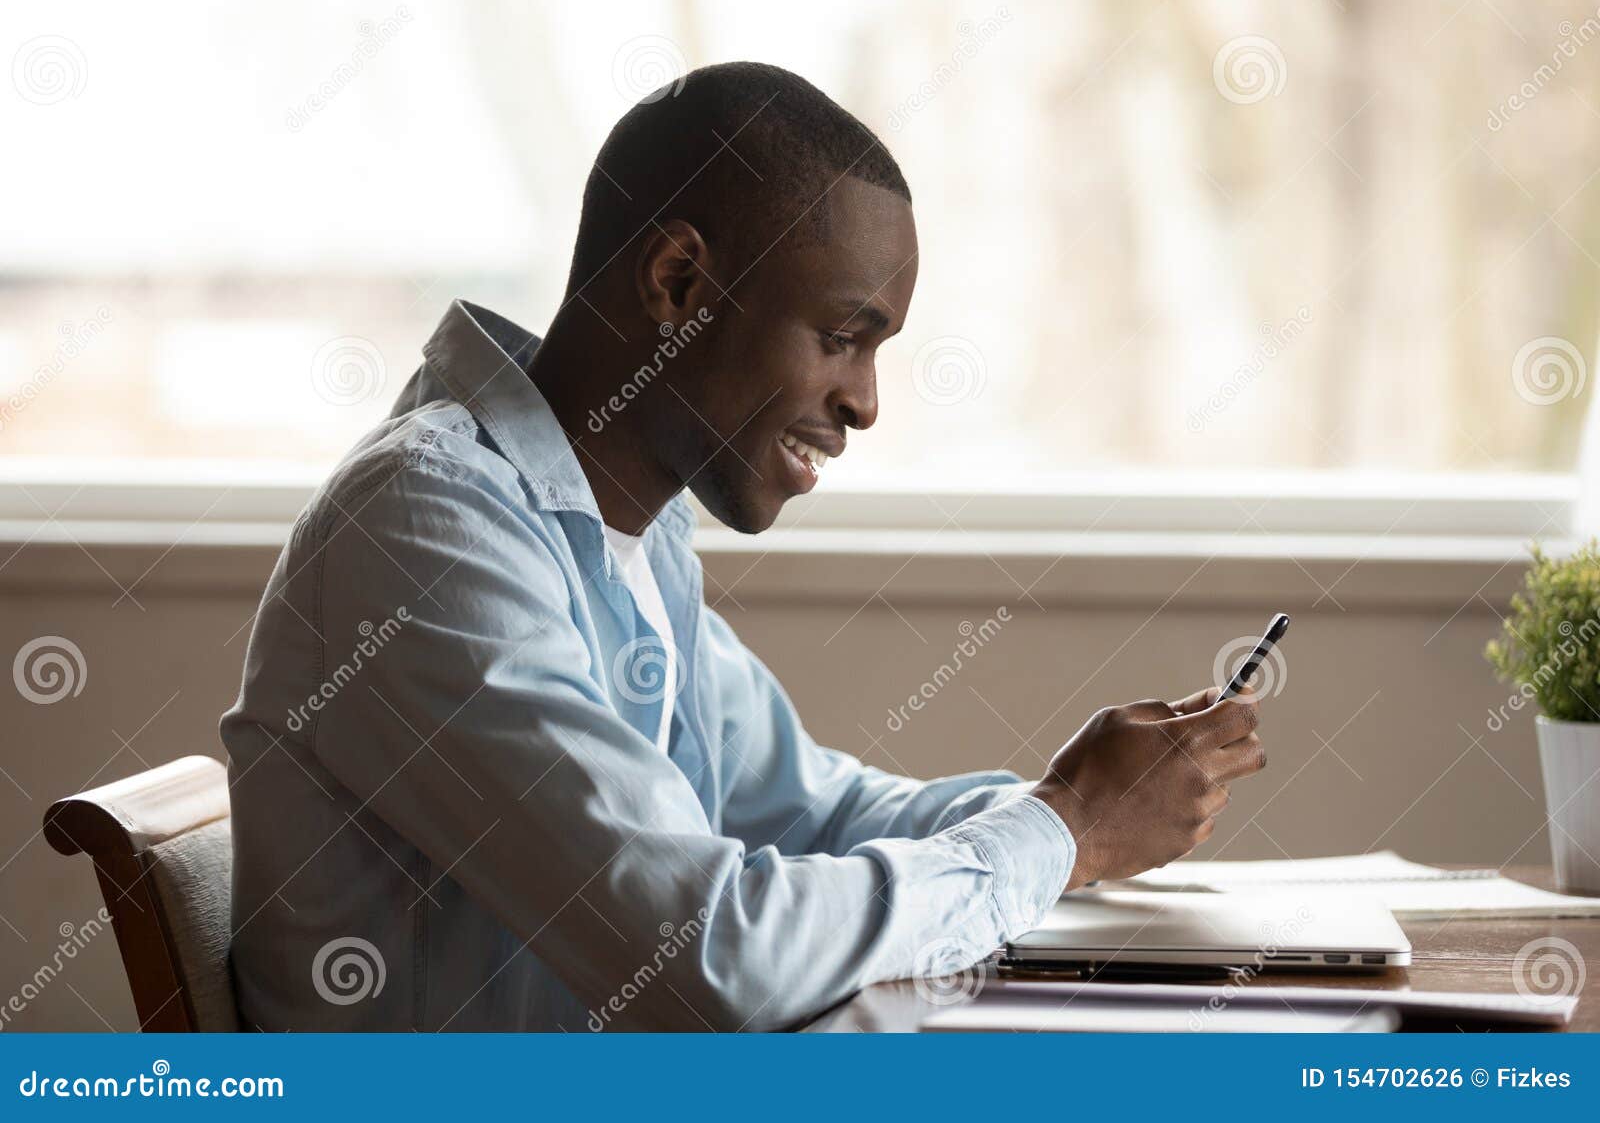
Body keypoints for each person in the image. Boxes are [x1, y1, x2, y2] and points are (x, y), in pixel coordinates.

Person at [221, 61, 1265, 1032]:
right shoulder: (428, 528)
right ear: (678, 283)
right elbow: (712, 952)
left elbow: (819, 811)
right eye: (841, 336)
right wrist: (1066, 828)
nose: (861, 400)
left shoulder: (628, 530)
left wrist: (1073, 804)